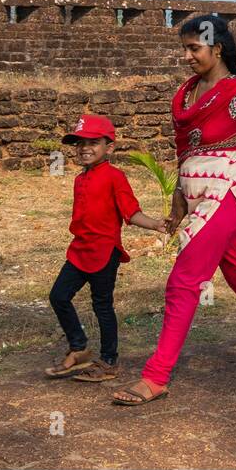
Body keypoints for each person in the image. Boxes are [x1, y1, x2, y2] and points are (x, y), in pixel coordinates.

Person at [111, 15, 236, 406]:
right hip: (196, 193)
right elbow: (184, 153)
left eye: (194, 48)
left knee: (184, 280)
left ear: (217, 48)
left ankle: (156, 376)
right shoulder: (186, 96)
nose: (187, 56)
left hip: (226, 193)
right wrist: (177, 201)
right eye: (184, 49)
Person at [44, 114, 168, 382]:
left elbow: (131, 213)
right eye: (79, 143)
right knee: (58, 296)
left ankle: (109, 362)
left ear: (109, 147)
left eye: (93, 142)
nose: (84, 148)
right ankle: (79, 349)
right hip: (79, 250)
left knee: (102, 305)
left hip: (104, 252)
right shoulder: (80, 179)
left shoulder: (115, 177)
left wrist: (156, 224)